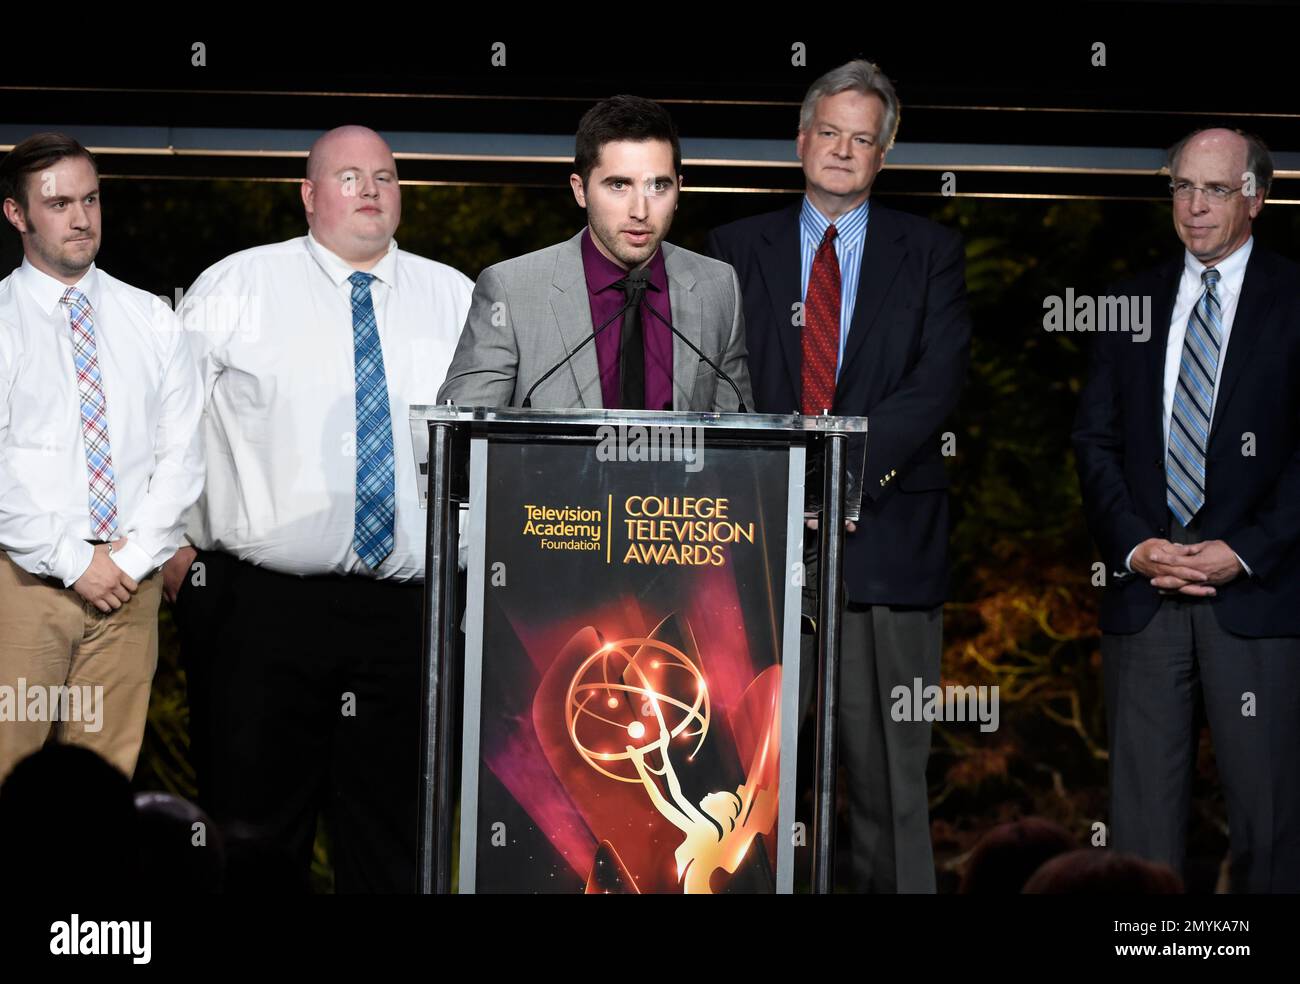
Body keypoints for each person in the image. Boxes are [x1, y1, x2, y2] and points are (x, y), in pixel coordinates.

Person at [162, 125, 474, 892]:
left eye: (385, 176)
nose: (370, 190)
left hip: (409, 618)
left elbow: (491, 448)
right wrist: (174, 561)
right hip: (260, 615)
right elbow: (159, 428)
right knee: (253, 844)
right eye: (348, 178)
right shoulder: (236, 287)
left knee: (394, 848)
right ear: (308, 196)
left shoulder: (460, 297)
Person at [708, 61, 971, 893]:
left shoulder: (931, 253)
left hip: (884, 542)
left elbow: (937, 385)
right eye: (831, 132)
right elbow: (718, 382)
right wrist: (785, 490)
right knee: (738, 784)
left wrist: (836, 480)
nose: (844, 150)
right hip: (756, 547)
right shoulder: (731, 249)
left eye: (864, 139)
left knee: (892, 786)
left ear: (883, 156)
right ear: (800, 141)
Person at [1073, 127, 1300, 893]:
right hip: (1147, 594)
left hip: (1262, 598)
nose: (1195, 206)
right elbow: (1093, 442)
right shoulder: (1125, 302)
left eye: (1215, 189)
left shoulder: (1295, 299)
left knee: (1272, 836)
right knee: (1137, 848)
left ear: (1255, 199)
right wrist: (1138, 546)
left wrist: (1243, 550)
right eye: (1181, 187)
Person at [0, 133, 202, 783]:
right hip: (23, 584)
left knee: (101, 790)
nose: (81, 218)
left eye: (90, 199)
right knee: (11, 777)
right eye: (58, 203)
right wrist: (71, 561)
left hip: (128, 587)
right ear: (17, 214)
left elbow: (182, 454)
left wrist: (131, 560)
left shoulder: (151, 319)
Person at [438, 94, 752, 412]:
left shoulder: (717, 285)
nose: (640, 210)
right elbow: (464, 431)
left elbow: (743, 437)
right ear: (580, 190)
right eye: (619, 185)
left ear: (678, 190)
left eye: (658, 186)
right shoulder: (511, 289)